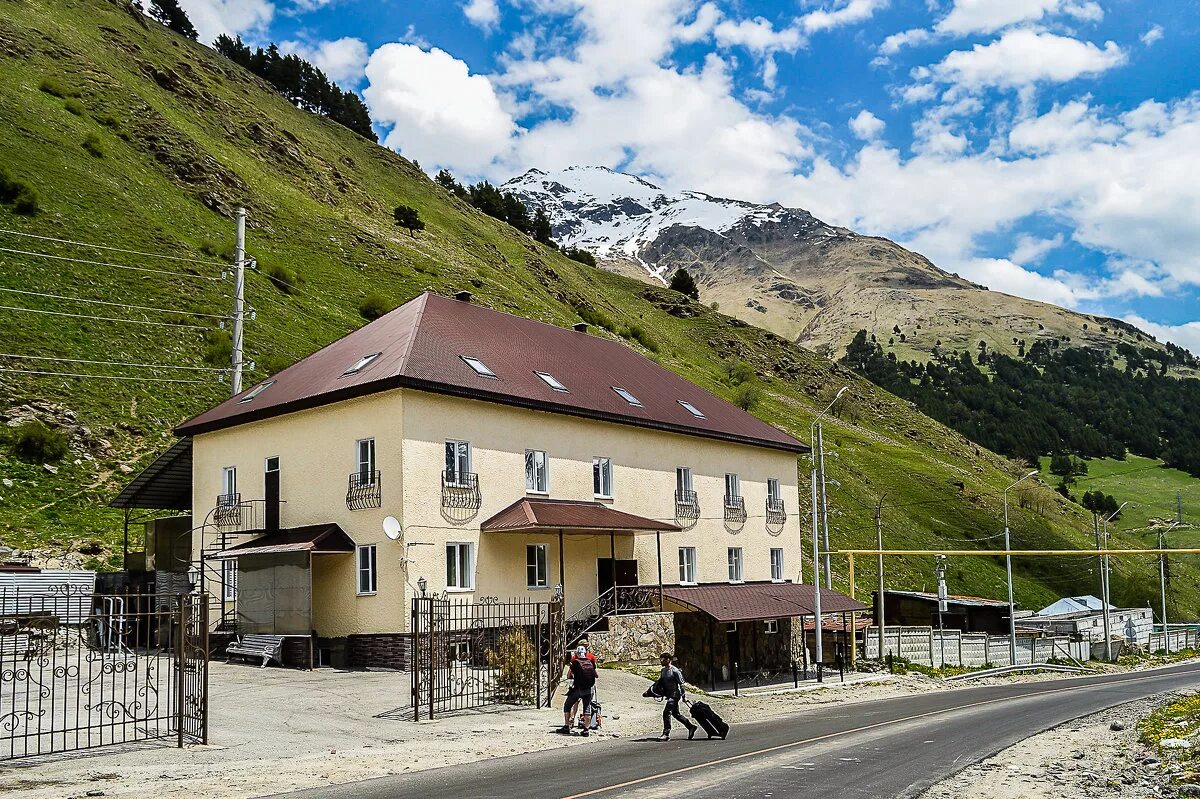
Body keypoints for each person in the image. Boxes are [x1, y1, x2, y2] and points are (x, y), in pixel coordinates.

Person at [644, 652, 695, 741]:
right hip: (669, 695)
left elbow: (682, 684)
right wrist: (651, 692)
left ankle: (666, 734)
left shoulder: (675, 671)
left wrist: (683, 696)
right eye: (661, 659)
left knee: (666, 713)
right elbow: (661, 683)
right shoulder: (663, 671)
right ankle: (691, 727)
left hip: (675, 695)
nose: (661, 661)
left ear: (668, 660)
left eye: (663, 659)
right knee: (676, 714)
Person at [558, 645, 598, 736]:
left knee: (567, 705)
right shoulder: (591, 661)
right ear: (585, 653)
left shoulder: (575, 662)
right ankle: (586, 730)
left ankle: (567, 726)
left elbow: (569, 676)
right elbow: (596, 675)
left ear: (577, 653)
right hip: (589, 689)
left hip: (578, 689)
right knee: (587, 708)